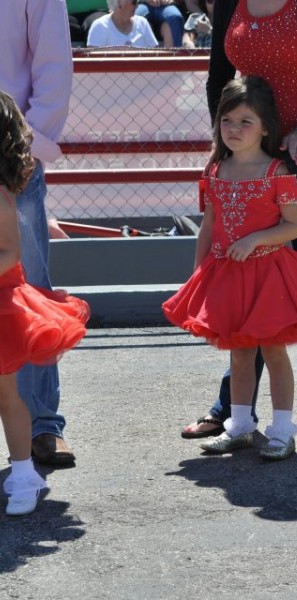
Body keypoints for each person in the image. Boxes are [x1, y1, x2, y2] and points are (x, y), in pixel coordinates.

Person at [180, 0, 297, 449]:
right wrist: (225, 146)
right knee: (245, 281)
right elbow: (219, 77)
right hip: (245, 158)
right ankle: (235, 414)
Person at [164, 77, 297, 458]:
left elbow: (293, 226)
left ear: (265, 127)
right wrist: (199, 275)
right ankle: (241, 425)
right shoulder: (216, 171)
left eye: (246, 121)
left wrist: (253, 240)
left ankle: (282, 431)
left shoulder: (277, 172)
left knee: (273, 351)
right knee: (240, 353)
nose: (234, 129)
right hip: (227, 276)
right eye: (227, 120)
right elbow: (209, 227)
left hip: (268, 276)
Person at [0, 91, 90, 516]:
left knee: (7, 394)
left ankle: (23, 472)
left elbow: (11, 253)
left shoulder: (1, 195)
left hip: (2, 302)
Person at [2, 1, 78, 467]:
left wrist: (25, 147)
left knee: (26, 287)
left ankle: (43, 423)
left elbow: (54, 65)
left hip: (7, 154)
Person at [87, 0, 159, 48]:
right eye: (134, 2)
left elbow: (155, 54)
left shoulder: (143, 23)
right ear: (119, 3)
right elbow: (92, 63)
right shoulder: (99, 26)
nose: (137, 6)